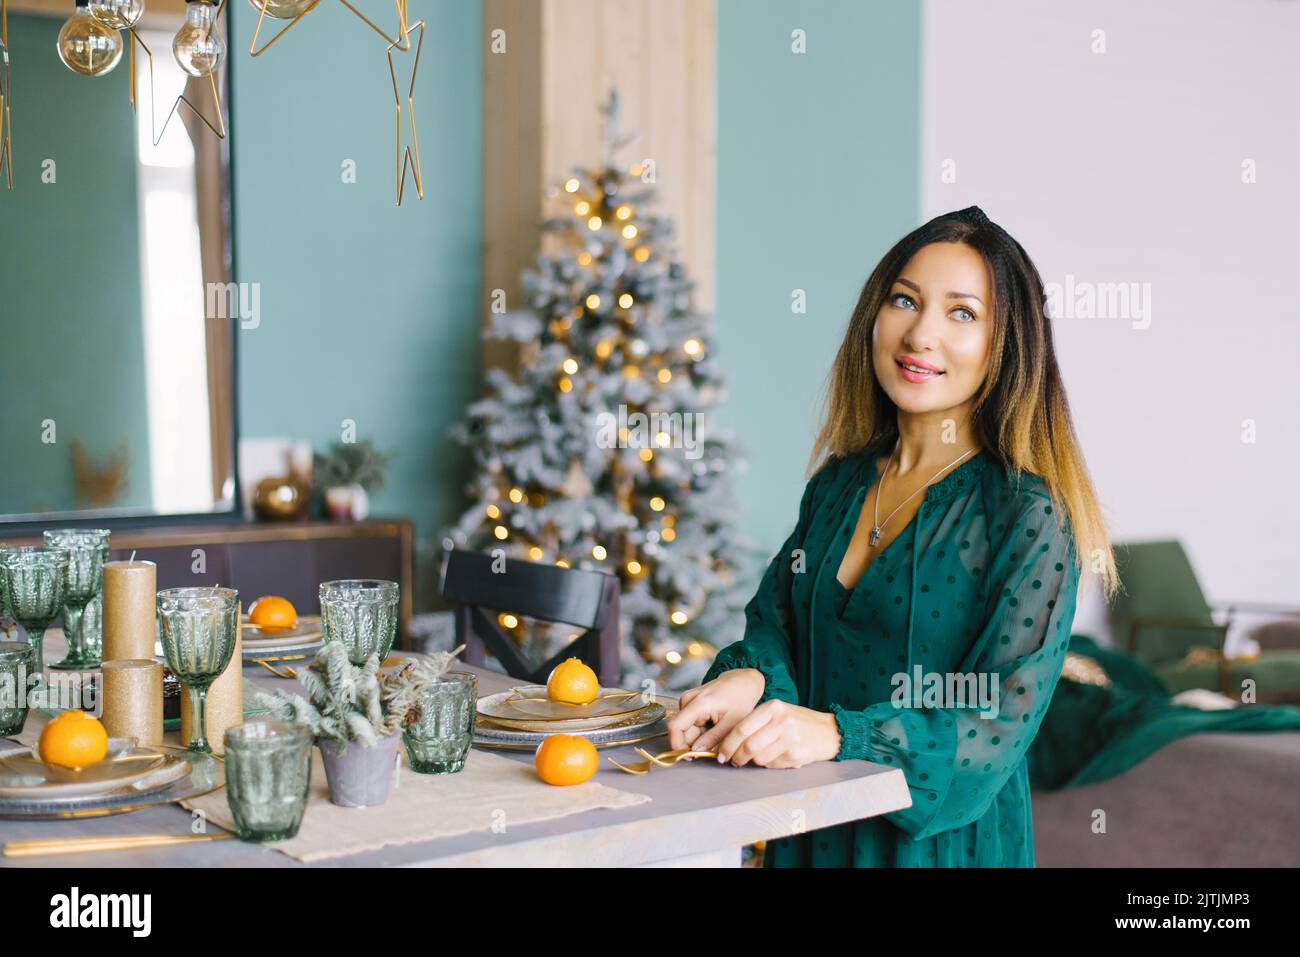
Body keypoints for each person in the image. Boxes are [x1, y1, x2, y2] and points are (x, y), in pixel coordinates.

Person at [667, 205, 1120, 866]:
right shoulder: (839, 482)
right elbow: (776, 627)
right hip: (804, 828)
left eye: (962, 313)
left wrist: (840, 734)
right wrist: (750, 679)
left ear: (1007, 344)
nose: (920, 334)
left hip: (937, 849)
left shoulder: (1027, 516)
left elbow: (997, 722)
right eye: (905, 300)